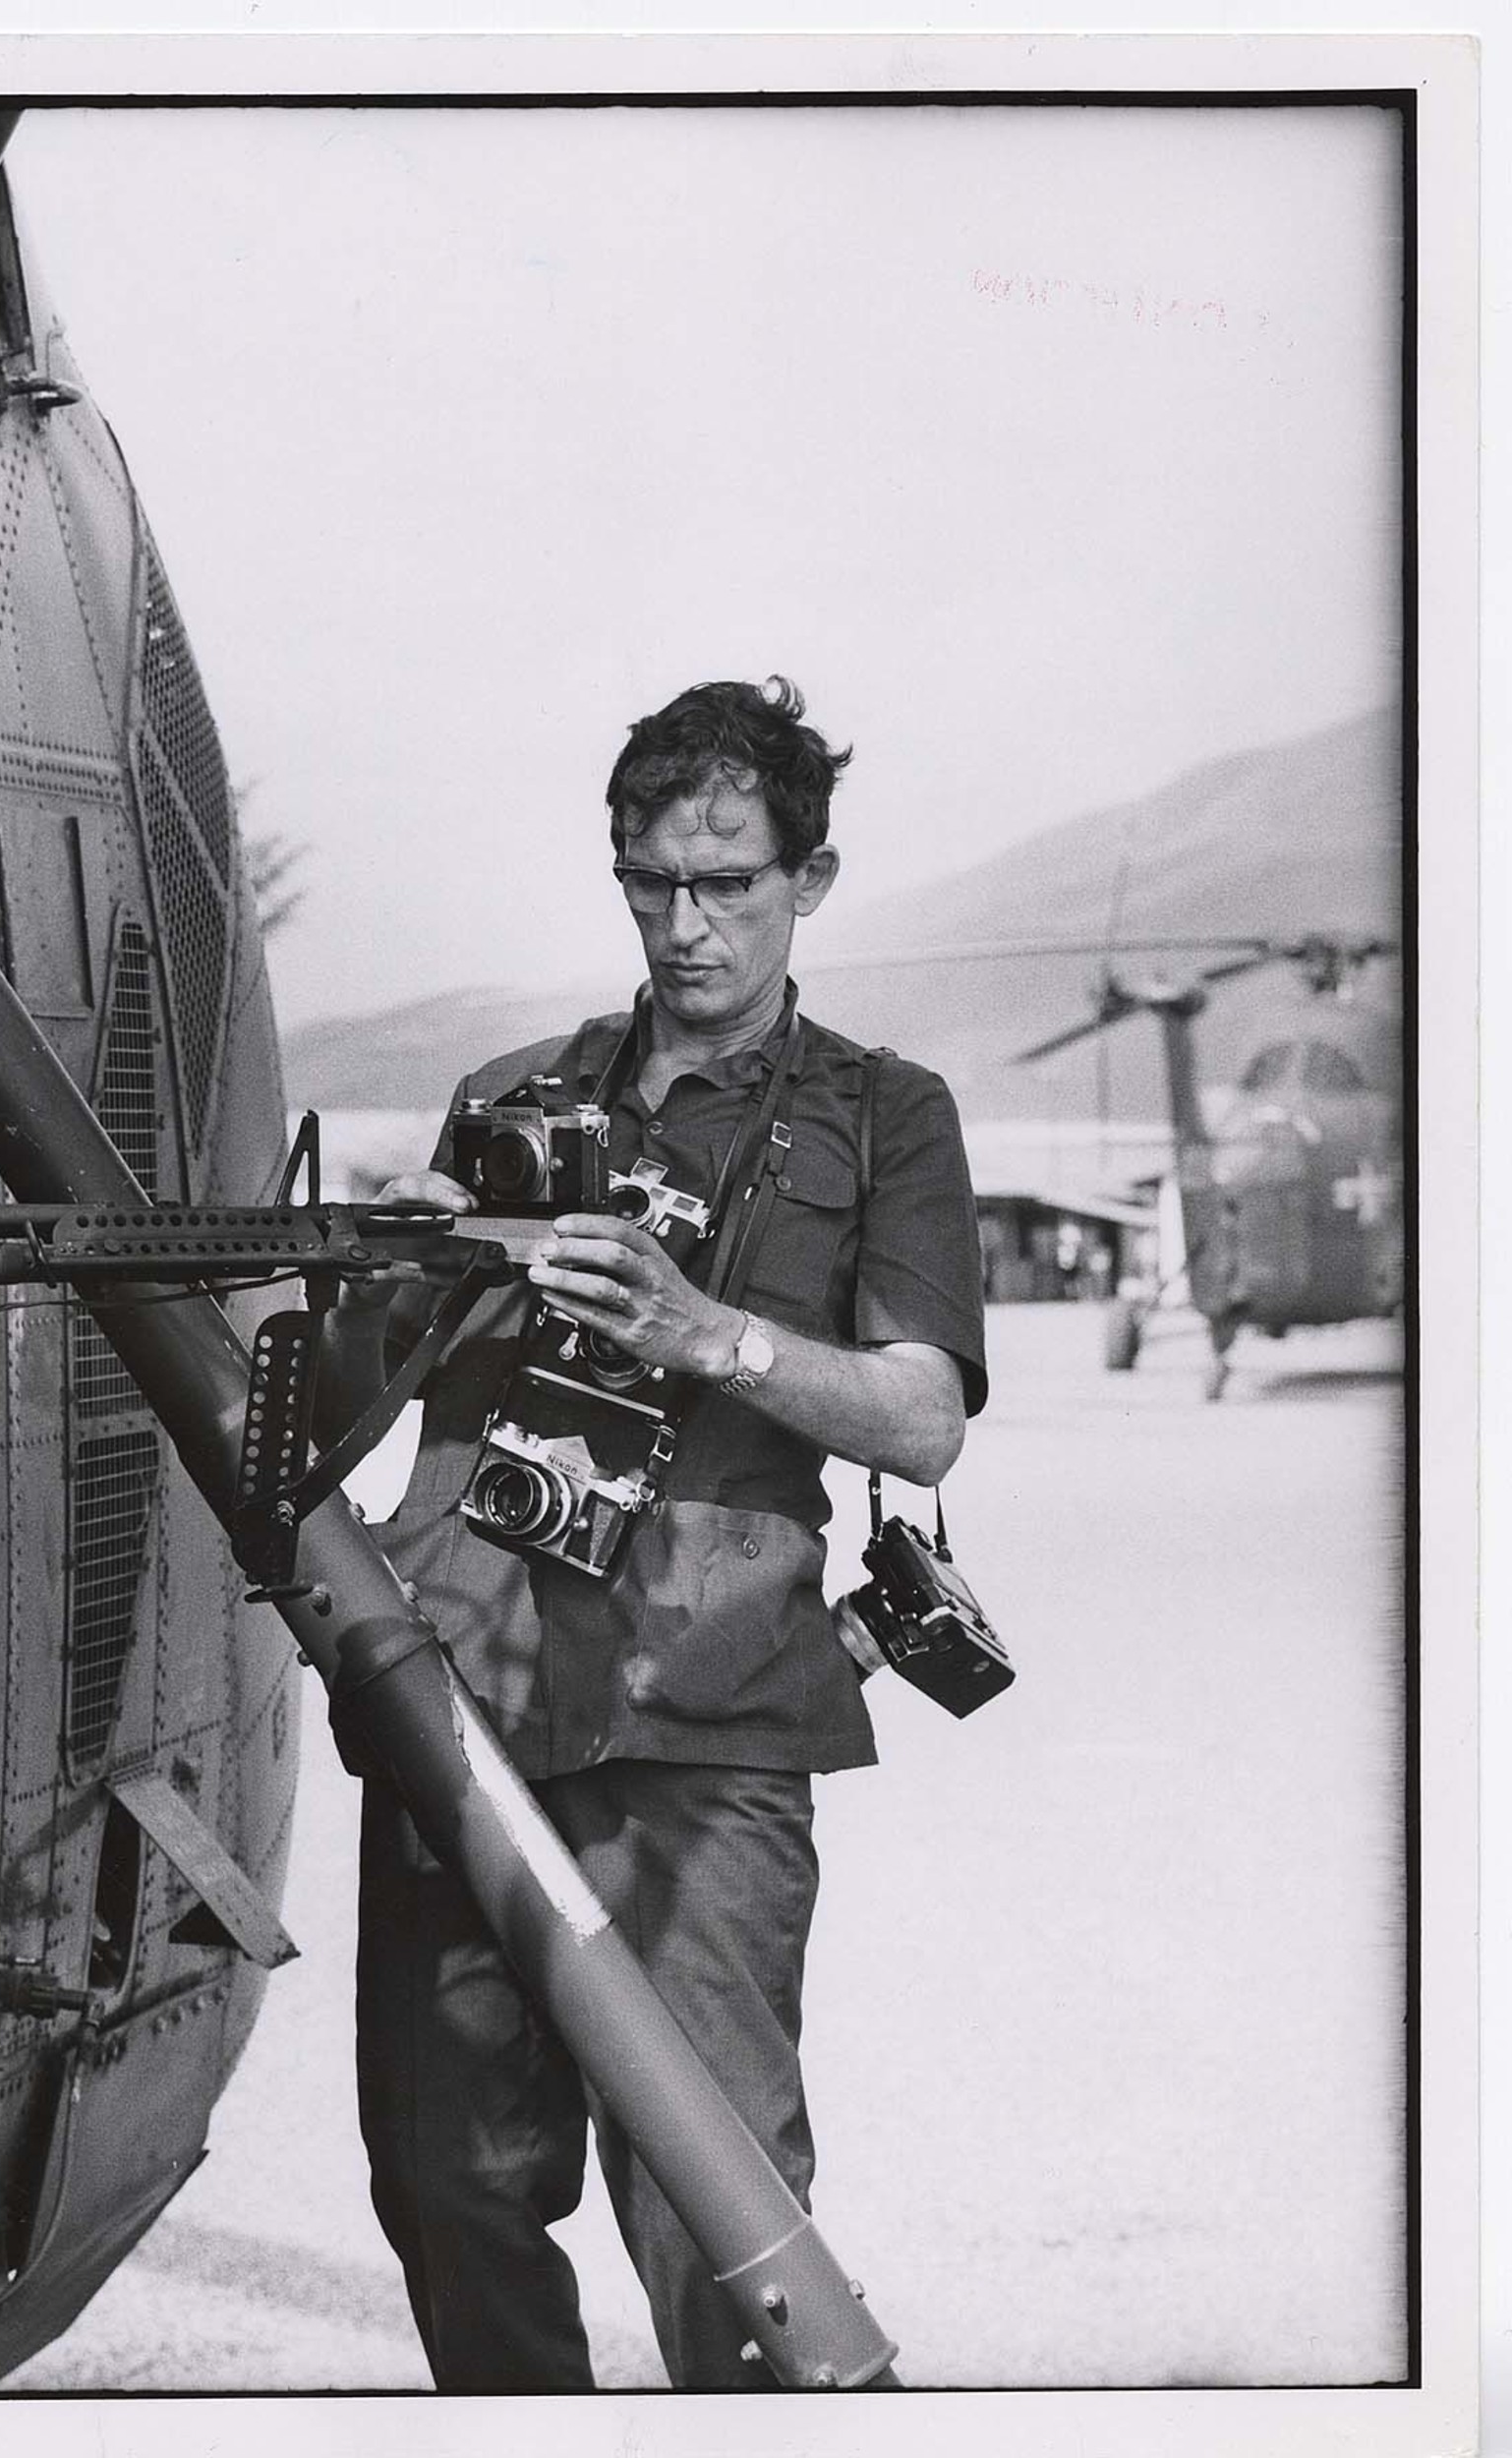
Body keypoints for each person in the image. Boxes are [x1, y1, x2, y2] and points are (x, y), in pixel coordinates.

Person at [316, 676, 988, 2391]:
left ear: (808, 880)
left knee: (719, 2213)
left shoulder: (883, 1114)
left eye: (728, 886)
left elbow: (920, 1416)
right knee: (447, 2184)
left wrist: (709, 1335)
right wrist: (391, 1282)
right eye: (649, 886)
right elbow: (341, 1413)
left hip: (703, 1711)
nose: (685, 927)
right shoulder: (511, 1095)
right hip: (461, 1700)